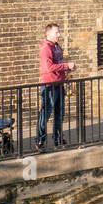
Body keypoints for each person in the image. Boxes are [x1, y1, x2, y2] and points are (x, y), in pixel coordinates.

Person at [36, 23, 75, 152]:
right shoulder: (45, 47)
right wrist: (66, 66)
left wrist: (68, 70)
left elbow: (58, 64)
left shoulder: (57, 46)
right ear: (48, 34)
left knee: (59, 113)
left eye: (59, 32)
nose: (59, 35)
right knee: (45, 114)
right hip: (49, 86)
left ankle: (57, 138)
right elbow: (49, 68)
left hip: (59, 84)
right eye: (56, 32)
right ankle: (40, 141)